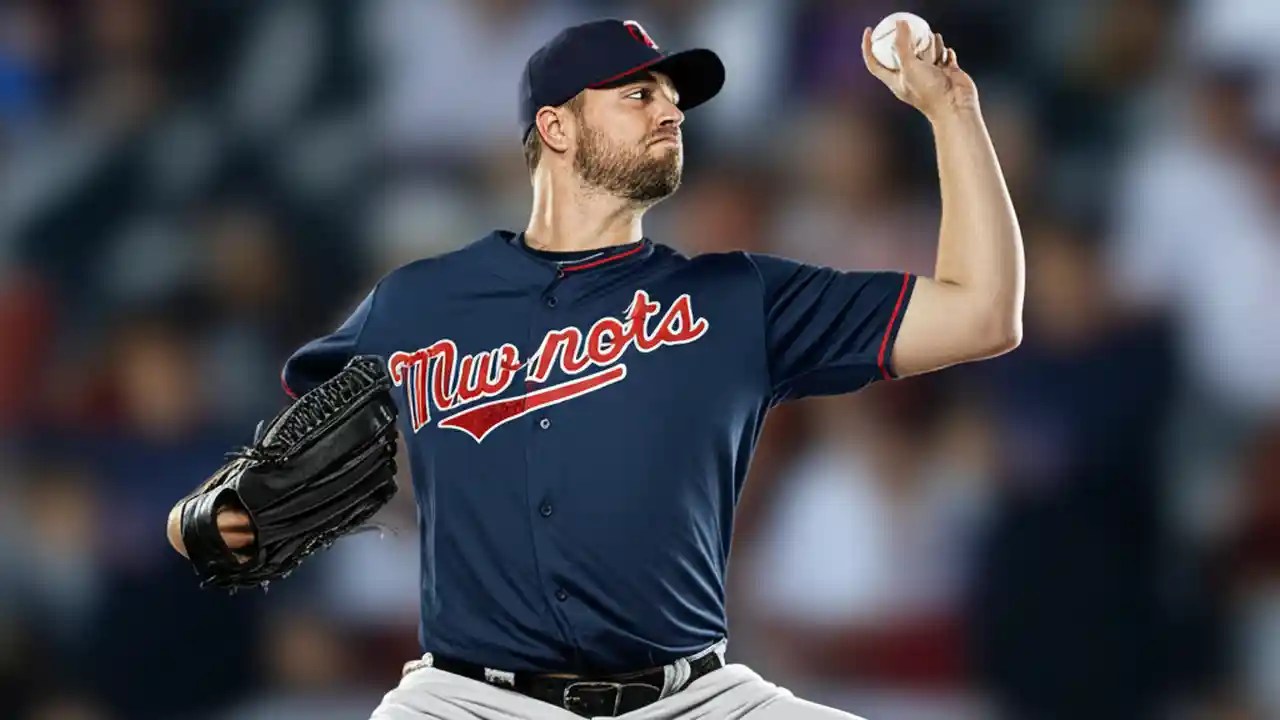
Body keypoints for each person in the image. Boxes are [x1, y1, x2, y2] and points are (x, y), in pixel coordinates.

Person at [167, 17, 1023, 719]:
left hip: (692, 697)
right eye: (638, 94)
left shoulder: (738, 298)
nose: (670, 111)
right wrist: (216, 516)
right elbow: (273, 477)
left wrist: (953, 110)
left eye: (674, 98)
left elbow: (983, 313)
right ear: (556, 127)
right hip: (470, 701)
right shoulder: (420, 302)